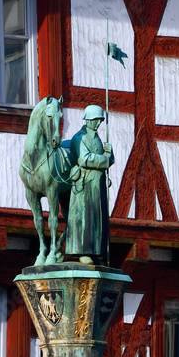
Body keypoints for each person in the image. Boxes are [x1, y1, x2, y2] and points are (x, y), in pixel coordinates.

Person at [65, 105, 114, 265]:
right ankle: (82, 251)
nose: (98, 124)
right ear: (87, 120)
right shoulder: (79, 138)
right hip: (84, 184)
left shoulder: (98, 138)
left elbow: (107, 161)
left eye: (99, 120)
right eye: (94, 120)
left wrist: (109, 155)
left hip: (98, 184)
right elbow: (84, 159)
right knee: (84, 217)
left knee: (97, 217)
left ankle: (97, 251)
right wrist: (105, 160)